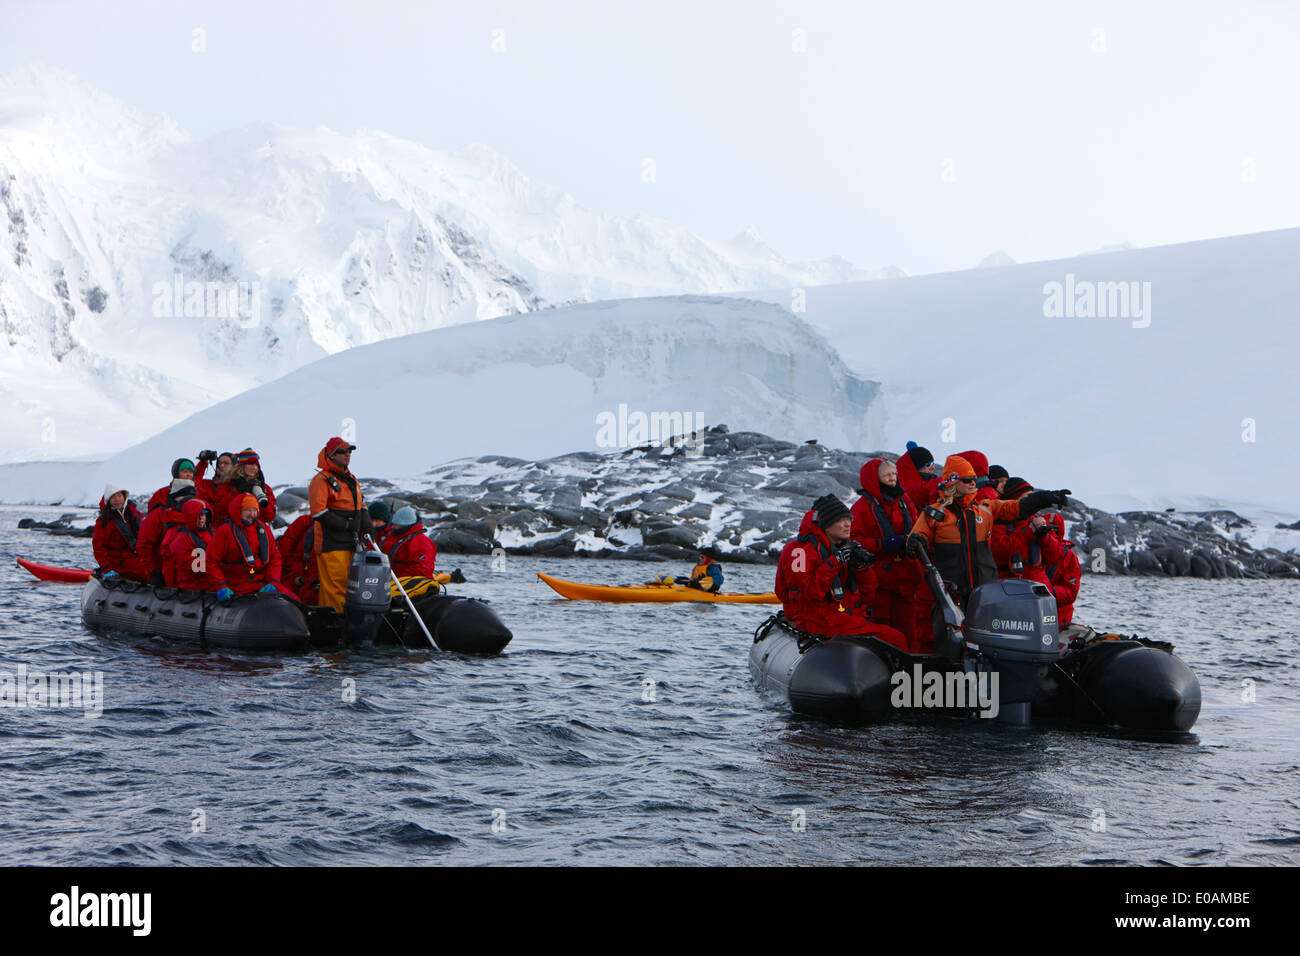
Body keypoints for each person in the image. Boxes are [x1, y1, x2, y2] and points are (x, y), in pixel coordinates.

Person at [906, 456, 1070, 611]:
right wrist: (916, 541)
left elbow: (1017, 507)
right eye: (967, 480)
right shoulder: (934, 513)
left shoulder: (985, 508)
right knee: (949, 638)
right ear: (953, 481)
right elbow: (917, 538)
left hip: (984, 592)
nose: (972, 483)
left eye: (974, 479)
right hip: (949, 593)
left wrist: (1046, 497)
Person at [775, 494, 908, 651]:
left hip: (845, 618)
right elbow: (808, 593)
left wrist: (861, 568)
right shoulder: (800, 551)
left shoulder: (845, 548)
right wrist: (835, 562)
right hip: (821, 622)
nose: (847, 525)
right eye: (840, 520)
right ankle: (902, 676)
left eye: (849, 520)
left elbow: (868, 595)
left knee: (894, 634)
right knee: (897, 639)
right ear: (826, 525)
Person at [851, 457, 930, 653]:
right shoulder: (862, 508)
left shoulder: (904, 502)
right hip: (879, 581)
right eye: (887, 475)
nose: (893, 478)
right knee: (882, 632)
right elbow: (853, 542)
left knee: (909, 630)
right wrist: (883, 544)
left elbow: (917, 527)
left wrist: (918, 540)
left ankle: (911, 672)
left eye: (894, 474)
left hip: (906, 578)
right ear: (874, 479)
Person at [308, 437, 372, 612]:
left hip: (352, 542)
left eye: (349, 451)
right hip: (331, 543)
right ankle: (332, 624)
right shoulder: (320, 480)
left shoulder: (351, 479)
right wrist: (345, 525)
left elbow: (361, 504)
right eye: (343, 451)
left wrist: (366, 524)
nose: (348, 454)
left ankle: (348, 623)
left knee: (351, 585)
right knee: (335, 587)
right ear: (332, 454)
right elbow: (318, 511)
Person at [207, 494, 290, 601]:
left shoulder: (264, 529)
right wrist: (221, 586)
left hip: (263, 586)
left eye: (255, 510)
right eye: (248, 510)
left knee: (294, 602)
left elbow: (275, 557)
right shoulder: (225, 532)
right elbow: (210, 561)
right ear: (239, 511)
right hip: (237, 588)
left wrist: (273, 582)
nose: (252, 514)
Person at [989, 477, 1066, 586]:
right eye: (1026, 498)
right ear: (1012, 501)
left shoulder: (1037, 520)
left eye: (1032, 497)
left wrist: (1044, 537)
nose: (1031, 502)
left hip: (1039, 588)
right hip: (1010, 587)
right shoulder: (998, 524)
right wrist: (1028, 532)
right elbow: (1000, 551)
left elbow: (1056, 556)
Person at [137, 478, 198, 585]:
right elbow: (144, 545)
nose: (188, 500)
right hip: (168, 575)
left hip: (193, 576)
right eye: (184, 496)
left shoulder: (197, 517)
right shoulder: (158, 516)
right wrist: (153, 571)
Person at [92, 483, 149, 581]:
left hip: (136, 557)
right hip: (119, 563)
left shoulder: (132, 513)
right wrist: (106, 569)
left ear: (124, 497)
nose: (117, 500)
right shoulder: (104, 521)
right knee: (149, 573)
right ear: (108, 501)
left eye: (119, 496)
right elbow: (98, 546)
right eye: (113, 497)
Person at [161, 498, 220, 590]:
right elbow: (193, 567)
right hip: (193, 590)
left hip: (214, 586)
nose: (201, 519)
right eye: (198, 516)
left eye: (204, 515)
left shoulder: (213, 533)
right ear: (190, 516)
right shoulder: (181, 539)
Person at [1042, 513, 1081, 628]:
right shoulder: (1033, 548)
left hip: (1058, 619)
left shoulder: (1069, 557)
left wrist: (1047, 591)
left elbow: (1071, 592)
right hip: (1037, 615)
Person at [380, 507, 438, 579]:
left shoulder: (421, 543)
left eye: (397, 525)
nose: (393, 527)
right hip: (385, 578)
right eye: (393, 524)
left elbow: (422, 570)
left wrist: (393, 576)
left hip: (406, 582)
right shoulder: (391, 536)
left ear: (406, 525)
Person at [277, 513, 320, 605]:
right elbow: (284, 548)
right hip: (297, 578)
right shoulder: (305, 522)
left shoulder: (340, 527)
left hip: (311, 580)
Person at [227, 448, 276, 522]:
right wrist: (241, 493)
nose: (254, 468)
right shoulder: (229, 485)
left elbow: (269, 517)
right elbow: (222, 509)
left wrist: (262, 499)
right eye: (250, 464)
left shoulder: (265, 488)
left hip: (255, 529)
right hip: (233, 529)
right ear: (241, 466)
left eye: (256, 465)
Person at [897, 442, 941, 507]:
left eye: (932, 464)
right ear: (915, 468)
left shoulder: (927, 479)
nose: (932, 467)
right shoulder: (904, 483)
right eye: (928, 465)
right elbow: (920, 490)